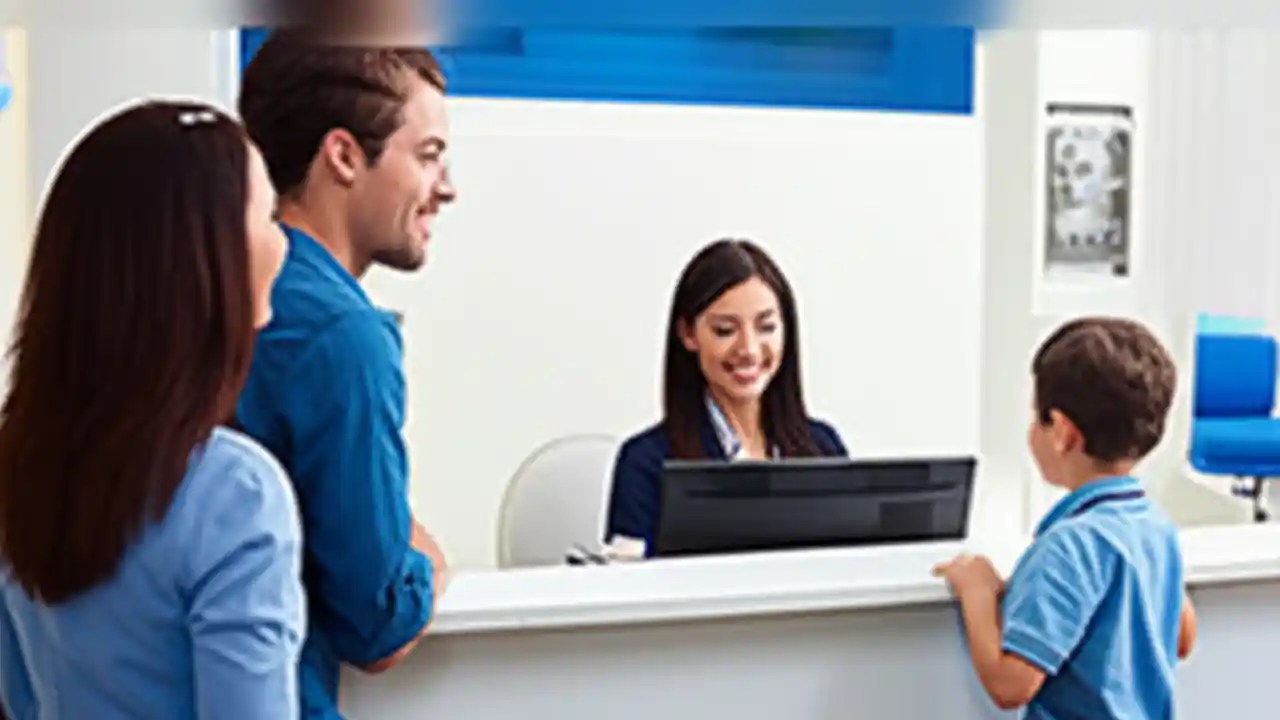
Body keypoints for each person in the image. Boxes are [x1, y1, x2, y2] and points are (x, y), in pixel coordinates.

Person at [0, 101, 300, 718]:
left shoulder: (16, 462)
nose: (284, 242)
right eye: (269, 217)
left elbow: (20, 701)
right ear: (209, 258)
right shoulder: (236, 494)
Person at [235, 29, 457, 717]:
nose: (445, 188)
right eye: (427, 157)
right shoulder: (341, 336)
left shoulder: (202, 291)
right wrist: (427, 554)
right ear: (343, 156)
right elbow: (379, 625)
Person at [933, 317, 1198, 718]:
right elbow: (1183, 637)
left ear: (1061, 431)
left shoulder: (1069, 545)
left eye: (1035, 416)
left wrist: (978, 592)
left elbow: (1011, 684)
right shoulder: (1153, 525)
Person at [604, 239, 848, 557]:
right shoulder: (647, 464)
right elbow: (629, 593)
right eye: (724, 330)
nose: (748, 349)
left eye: (766, 327)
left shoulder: (823, 449)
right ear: (688, 334)